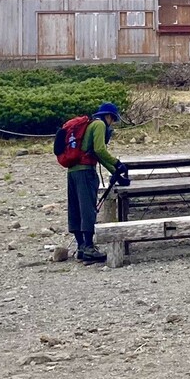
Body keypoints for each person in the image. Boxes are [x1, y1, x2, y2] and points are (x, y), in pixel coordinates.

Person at [65, 102, 127, 265]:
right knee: (87, 208)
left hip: (72, 172)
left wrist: (114, 170)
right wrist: (117, 163)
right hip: (86, 172)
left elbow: (95, 153)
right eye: (112, 119)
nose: (112, 123)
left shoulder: (89, 125)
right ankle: (89, 247)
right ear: (108, 116)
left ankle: (81, 247)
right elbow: (99, 150)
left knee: (75, 208)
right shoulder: (99, 125)